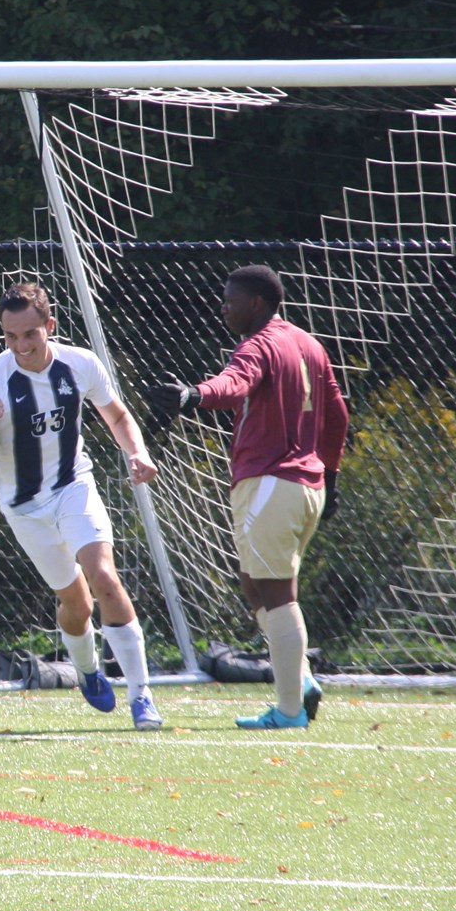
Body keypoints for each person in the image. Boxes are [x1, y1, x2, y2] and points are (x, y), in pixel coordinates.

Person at [149, 264, 348, 730]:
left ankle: (291, 710)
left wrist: (192, 396)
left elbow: (233, 384)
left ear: (257, 303)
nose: (224, 307)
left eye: (230, 300)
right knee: (256, 584)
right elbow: (337, 414)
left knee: (276, 593)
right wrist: (331, 477)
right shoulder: (309, 344)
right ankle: (300, 679)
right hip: (306, 486)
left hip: (271, 483)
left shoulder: (259, 344)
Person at [0, 283, 166, 729]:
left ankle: (141, 694)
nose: (21, 346)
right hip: (24, 508)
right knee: (76, 605)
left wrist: (137, 451)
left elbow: (117, 414)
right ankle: (89, 672)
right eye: (11, 337)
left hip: (74, 485)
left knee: (105, 579)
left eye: (30, 334)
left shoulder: (80, 364)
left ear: (49, 327)